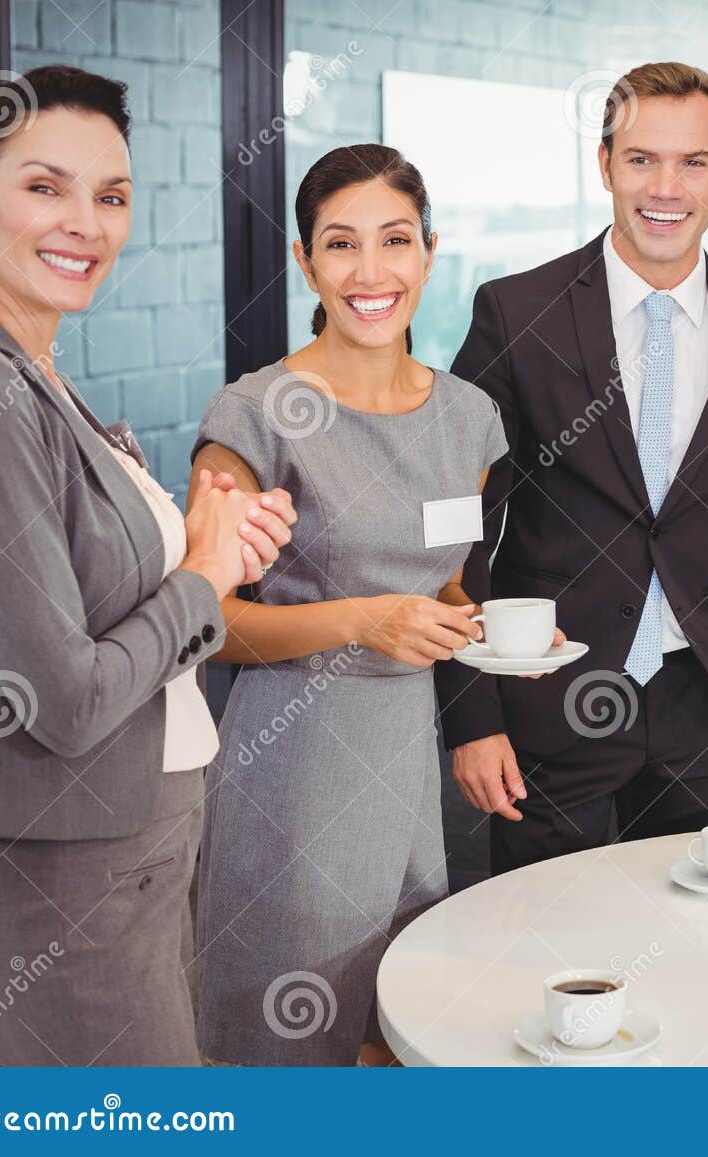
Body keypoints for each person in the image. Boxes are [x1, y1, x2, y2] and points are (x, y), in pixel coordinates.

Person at [0, 66, 291, 1065]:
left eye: (111, 196)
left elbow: (111, 620)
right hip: (66, 867)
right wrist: (203, 578)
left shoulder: (40, 375)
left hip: (132, 840)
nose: (85, 224)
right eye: (45, 187)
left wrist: (203, 548)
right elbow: (59, 696)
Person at [190, 145, 541, 1066]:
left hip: (406, 760)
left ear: (429, 251)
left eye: (394, 240)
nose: (371, 271)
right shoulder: (256, 413)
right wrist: (361, 618)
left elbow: (444, 576)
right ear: (306, 262)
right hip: (292, 759)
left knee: (397, 1025)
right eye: (341, 244)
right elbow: (203, 618)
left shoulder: (469, 417)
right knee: (286, 1040)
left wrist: (498, 631)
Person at [436, 62, 708, 875]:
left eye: (693, 161)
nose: (666, 186)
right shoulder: (517, 312)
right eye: (642, 158)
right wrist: (472, 713)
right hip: (551, 691)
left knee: (698, 947)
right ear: (605, 164)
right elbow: (461, 519)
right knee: (541, 944)